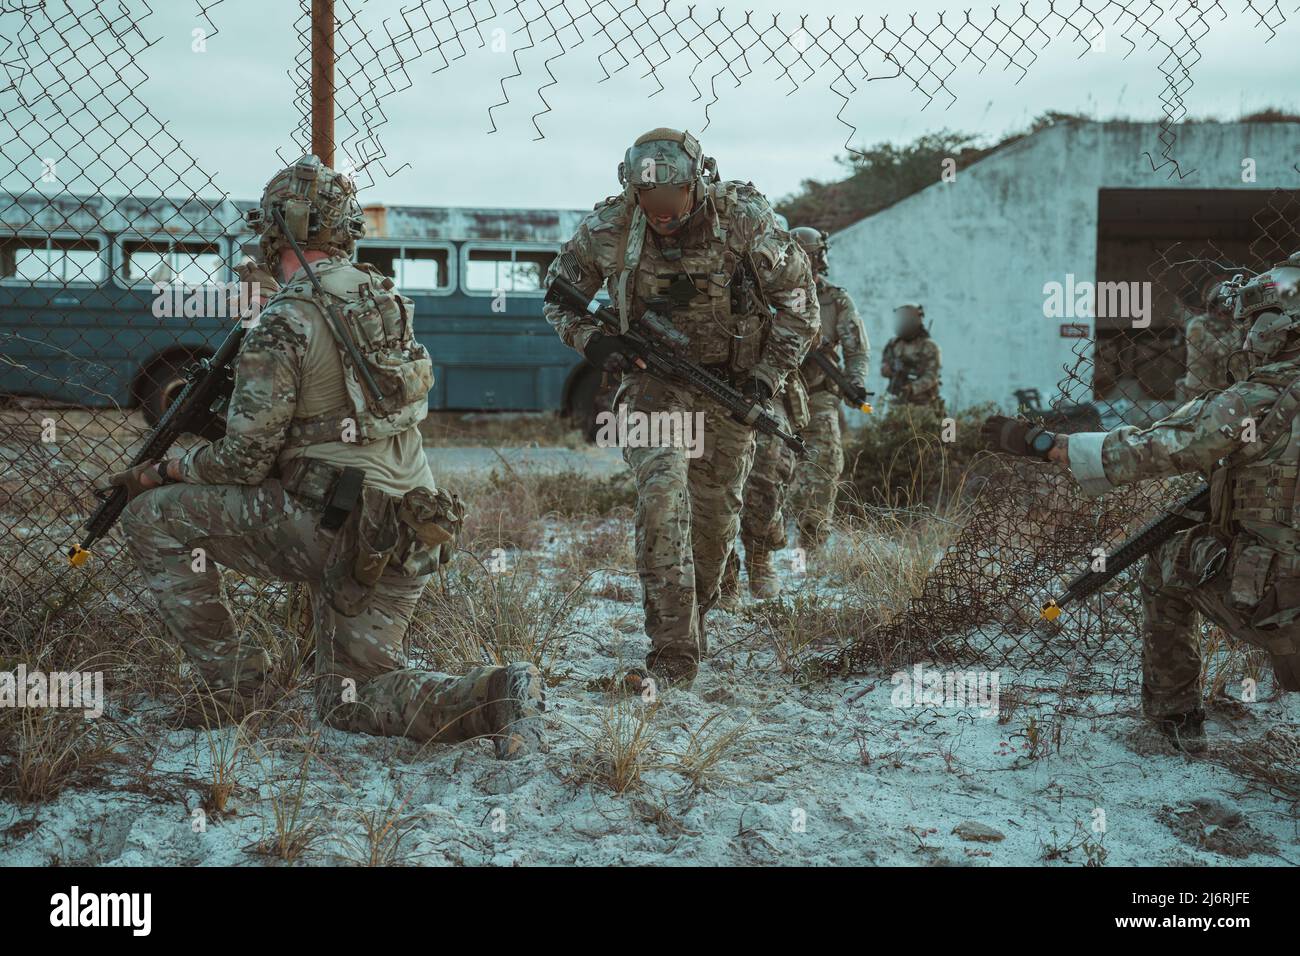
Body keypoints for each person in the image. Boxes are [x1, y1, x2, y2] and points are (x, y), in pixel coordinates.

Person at [112, 155, 544, 758]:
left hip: (330, 525)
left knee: (149, 517)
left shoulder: (283, 321)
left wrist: (166, 470)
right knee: (351, 699)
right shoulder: (384, 300)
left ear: (277, 229)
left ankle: (234, 688)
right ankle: (495, 694)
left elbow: (241, 461)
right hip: (407, 529)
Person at [982, 252, 1300, 753]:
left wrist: (1048, 446)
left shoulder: (1257, 400)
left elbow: (1150, 450)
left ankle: (1175, 719)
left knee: (1163, 564)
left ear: (1275, 326)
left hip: (1284, 604)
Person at [542, 128, 818, 689]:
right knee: (664, 493)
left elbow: (799, 310)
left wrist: (764, 382)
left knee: (714, 531)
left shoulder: (744, 221)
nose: (663, 217)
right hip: (654, 388)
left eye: (674, 204)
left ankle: (694, 618)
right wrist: (595, 344)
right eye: (651, 205)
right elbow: (558, 297)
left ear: (698, 182)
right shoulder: (609, 228)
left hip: (731, 390)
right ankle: (673, 654)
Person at [788, 226, 869, 551]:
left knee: (825, 464)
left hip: (819, 392)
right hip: (775, 392)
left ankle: (812, 540)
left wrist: (857, 381)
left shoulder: (835, 299)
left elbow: (856, 350)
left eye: (809, 256)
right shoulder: (767, 295)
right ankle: (763, 542)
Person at [1177, 275, 1242, 402]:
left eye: (1229, 312)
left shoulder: (1234, 325)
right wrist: (1237, 334)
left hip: (1229, 388)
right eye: (1221, 311)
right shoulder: (1198, 325)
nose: (1224, 316)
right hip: (1201, 390)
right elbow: (1212, 351)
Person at [880, 304, 941, 409]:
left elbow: (932, 376)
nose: (904, 322)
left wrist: (912, 388)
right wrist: (888, 370)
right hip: (896, 400)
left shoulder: (929, 347)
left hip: (923, 403)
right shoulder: (894, 344)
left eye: (907, 318)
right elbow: (885, 367)